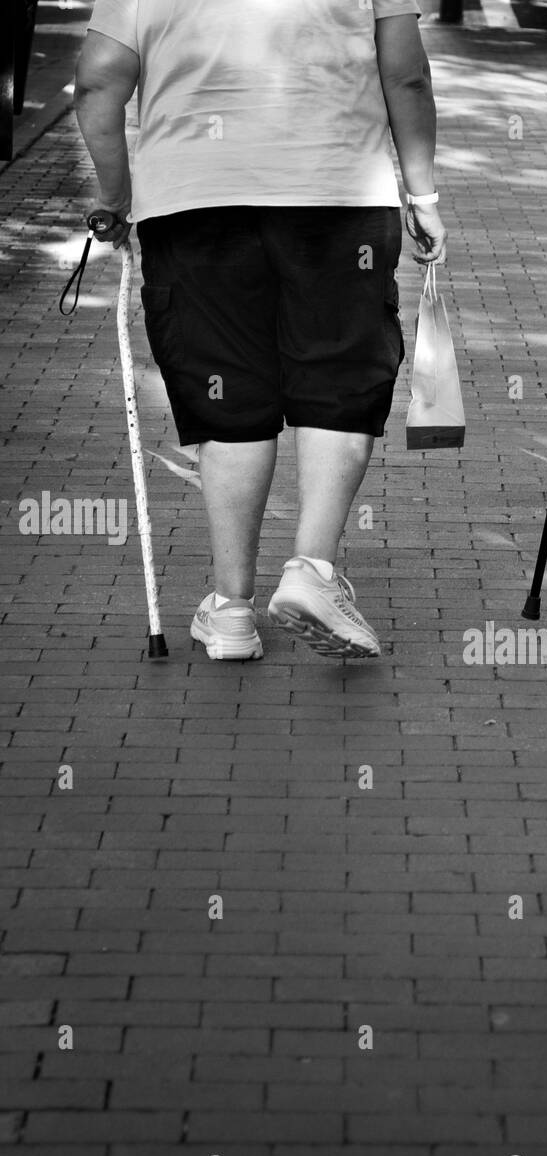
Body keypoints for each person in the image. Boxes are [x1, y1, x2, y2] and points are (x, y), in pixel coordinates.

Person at [74, 0, 446, 662]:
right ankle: (311, 571)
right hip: (336, 194)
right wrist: (423, 197)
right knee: (338, 379)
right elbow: (407, 76)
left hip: (192, 199)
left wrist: (115, 197)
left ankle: (232, 612)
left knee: (228, 394)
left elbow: (100, 81)